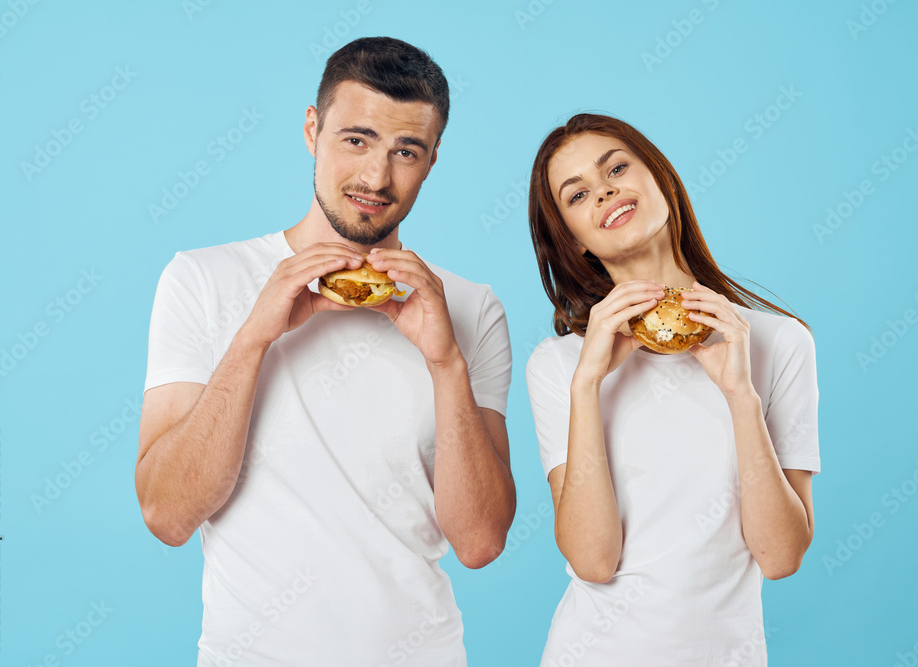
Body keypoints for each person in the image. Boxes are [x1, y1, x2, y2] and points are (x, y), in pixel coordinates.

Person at [135, 37, 515, 667]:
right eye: (356, 139)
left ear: (432, 160)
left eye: (406, 152)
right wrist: (254, 337)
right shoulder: (202, 278)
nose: (376, 177)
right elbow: (167, 515)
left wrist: (446, 364)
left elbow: (479, 543)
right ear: (312, 129)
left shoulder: (470, 307)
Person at [524, 113, 819, 666]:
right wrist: (587, 386)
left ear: (662, 180)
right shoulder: (561, 365)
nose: (605, 189)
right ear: (573, 239)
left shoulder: (778, 342)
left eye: (617, 167)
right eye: (578, 193)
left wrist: (740, 395)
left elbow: (780, 557)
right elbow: (594, 561)